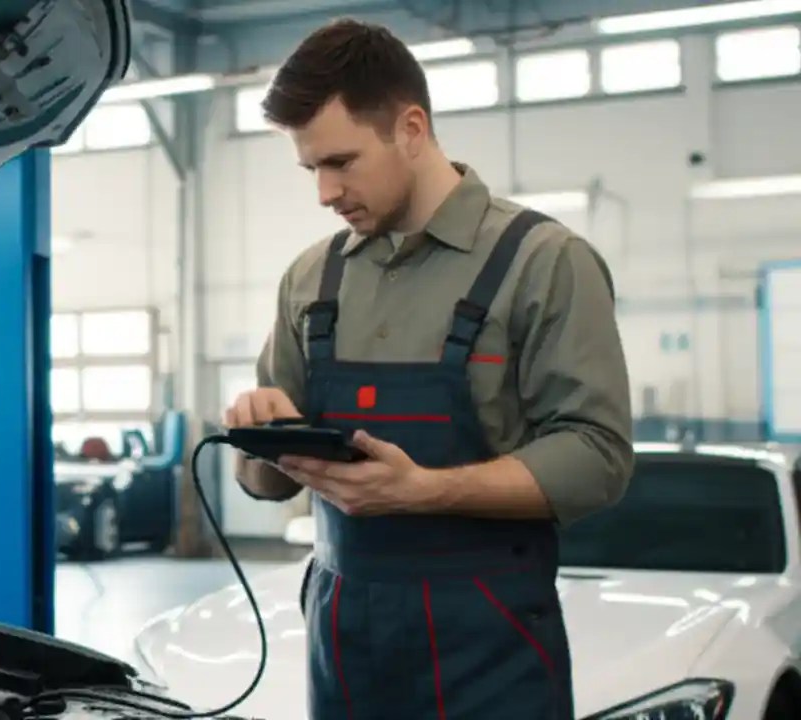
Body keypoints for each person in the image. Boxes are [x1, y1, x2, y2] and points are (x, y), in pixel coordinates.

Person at [223, 19, 634, 720]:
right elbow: (259, 479)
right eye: (311, 169)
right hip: (344, 641)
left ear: (411, 129)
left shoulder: (543, 263)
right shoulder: (311, 280)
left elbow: (598, 457)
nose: (325, 192)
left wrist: (423, 491)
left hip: (490, 645)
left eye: (342, 162)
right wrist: (257, 438)